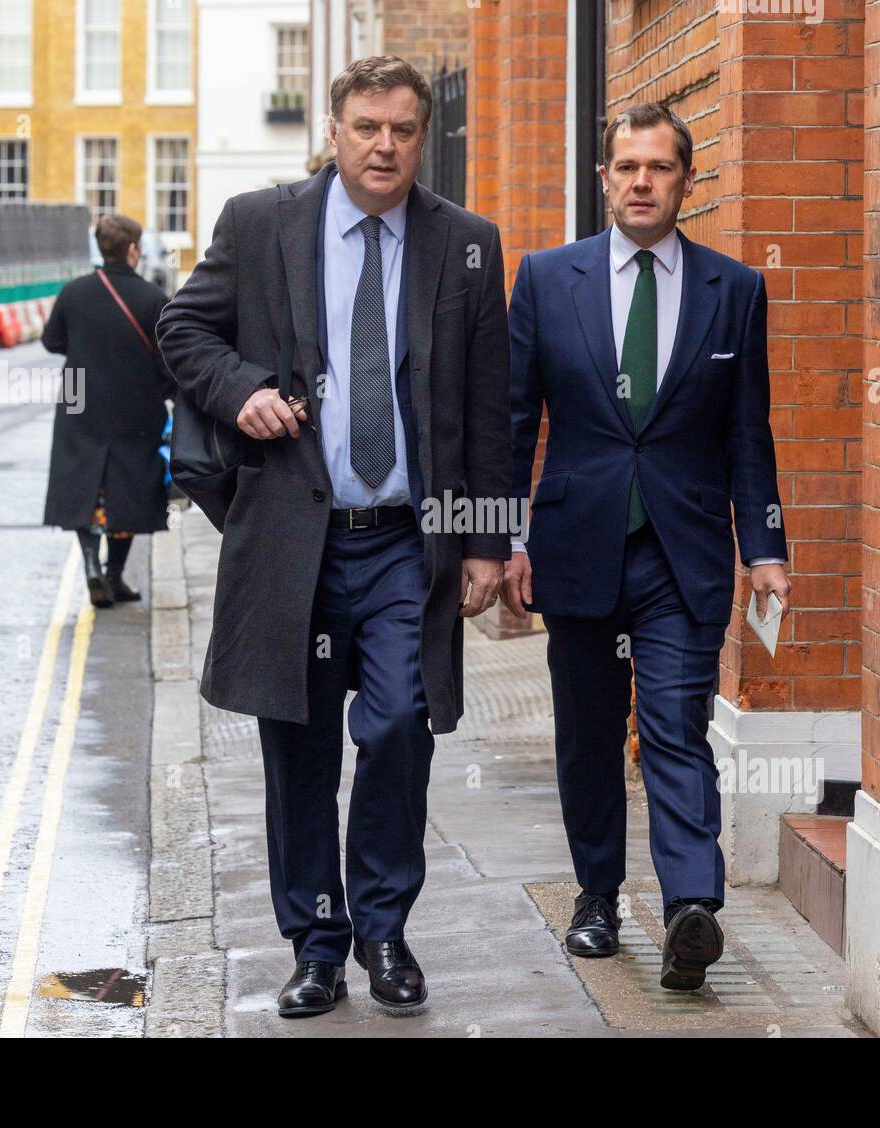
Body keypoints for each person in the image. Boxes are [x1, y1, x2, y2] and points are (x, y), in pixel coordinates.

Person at [156, 56, 511, 1017]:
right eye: (366, 126)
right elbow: (182, 332)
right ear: (335, 127)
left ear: (421, 135)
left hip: (406, 541)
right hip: (294, 543)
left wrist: (486, 539)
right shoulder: (261, 223)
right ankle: (316, 943)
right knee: (300, 745)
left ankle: (384, 931)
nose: (384, 145)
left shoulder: (468, 244)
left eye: (401, 129)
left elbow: (490, 405)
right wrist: (245, 395)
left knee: (399, 723)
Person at [502, 102, 791, 992]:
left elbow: (751, 430)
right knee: (589, 735)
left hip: (684, 550)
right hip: (578, 544)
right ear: (603, 179)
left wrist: (766, 543)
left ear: (686, 181)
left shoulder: (733, 289)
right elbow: (515, 423)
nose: (640, 182)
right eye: (626, 167)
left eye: (659, 168)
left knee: (675, 724)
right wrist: (504, 536)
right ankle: (596, 896)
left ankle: (687, 909)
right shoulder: (547, 280)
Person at [42, 214, 174, 605]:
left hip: (80, 401)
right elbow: (169, 360)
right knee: (128, 488)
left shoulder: (73, 292)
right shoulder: (153, 299)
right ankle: (115, 575)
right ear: (133, 249)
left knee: (84, 484)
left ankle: (91, 565)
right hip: (135, 407)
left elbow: (52, 341)